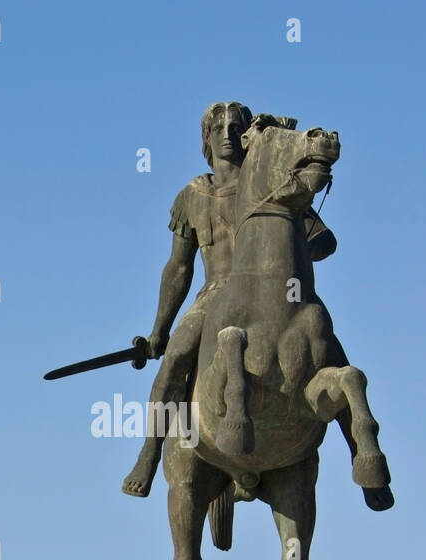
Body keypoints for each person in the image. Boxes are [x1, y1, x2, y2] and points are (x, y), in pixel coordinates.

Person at [123, 101, 337, 497]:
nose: (225, 134)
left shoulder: (274, 184)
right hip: (215, 294)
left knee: (332, 352)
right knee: (174, 362)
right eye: (216, 128)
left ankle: (362, 443)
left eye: (233, 127)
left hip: (275, 293)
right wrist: (159, 331)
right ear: (205, 139)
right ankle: (148, 453)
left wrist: (292, 239)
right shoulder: (193, 195)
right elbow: (179, 268)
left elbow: (325, 241)